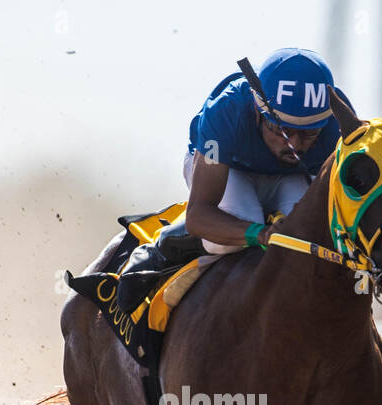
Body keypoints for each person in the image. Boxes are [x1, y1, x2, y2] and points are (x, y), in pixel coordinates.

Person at [119, 48, 352, 286]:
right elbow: (199, 215)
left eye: (309, 133)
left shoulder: (340, 121)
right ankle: (166, 244)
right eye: (283, 131)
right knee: (242, 223)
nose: (294, 145)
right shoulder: (226, 110)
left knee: (307, 234)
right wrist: (260, 234)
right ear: (257, 109)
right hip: (228, 170)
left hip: (288, 178)